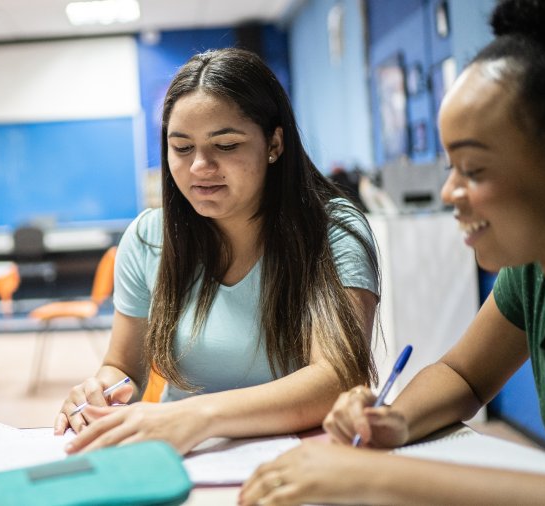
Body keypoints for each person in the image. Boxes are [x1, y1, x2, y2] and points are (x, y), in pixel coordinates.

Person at [240, 0, 545, 504]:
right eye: (449, 167)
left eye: (473, 170)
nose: (448, 193)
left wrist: (375, 476)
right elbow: (464, 375)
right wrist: (395, 421)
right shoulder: (535, 274)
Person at [54, 48, 381, 455]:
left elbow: (338, 378)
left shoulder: (332, 231)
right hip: (187, 459)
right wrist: (103, 389)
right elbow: (124, 368)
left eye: (225, 145)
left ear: (274, 143)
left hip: (303, 459)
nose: (199, 167)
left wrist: (198, 416)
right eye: (182, 147)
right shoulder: (148, 237)